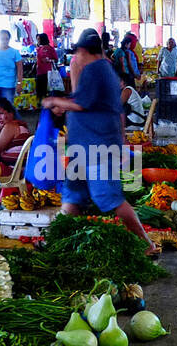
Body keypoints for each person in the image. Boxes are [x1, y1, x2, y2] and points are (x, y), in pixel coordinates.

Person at [40, 28, 156, 254]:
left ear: (84, 51)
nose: (76, 58)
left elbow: (83, 104)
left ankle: (147, 244)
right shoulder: (103, 70)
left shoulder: (96, 70)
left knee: (110, 197)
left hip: (97, 147)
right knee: (73, 196)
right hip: (84, 145)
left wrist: (55, 100)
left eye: (77, 54)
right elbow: (91, 103)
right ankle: (55, 239)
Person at [0, 98, 31, 165]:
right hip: (18, 164)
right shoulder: (19, 124)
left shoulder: (10, 126)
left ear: (11, 113)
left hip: (14, 168)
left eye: (1, 113)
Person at [34, 33, 58, 99]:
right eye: (37, 39)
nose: (38, 41)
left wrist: (49, 60)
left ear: (42, 39)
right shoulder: (38, 49)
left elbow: (56, 60)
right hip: (40, 73)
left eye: (39, 39)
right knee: (40, 93)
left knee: (47, 92)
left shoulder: (50, 49)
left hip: (48, 73)